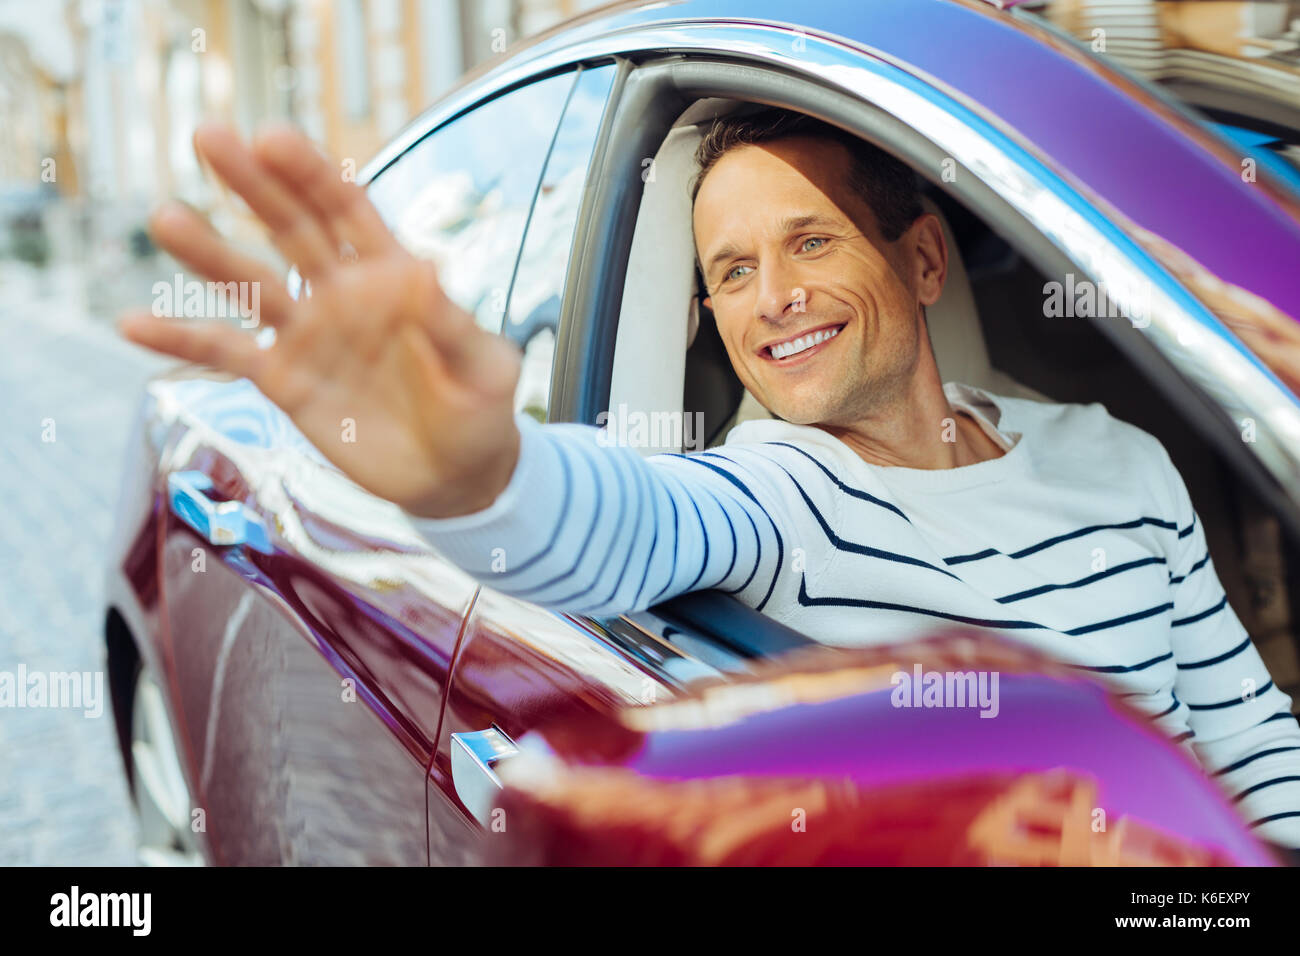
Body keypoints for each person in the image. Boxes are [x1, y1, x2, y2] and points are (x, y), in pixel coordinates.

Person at [118, 109, 1300, 847]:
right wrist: (480, 472)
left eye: (810, 240)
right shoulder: (773, 499)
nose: (768, 295)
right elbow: (608, 524)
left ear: (924, 258)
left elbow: (1249, 735)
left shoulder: (1116, 455)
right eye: (728, 271)